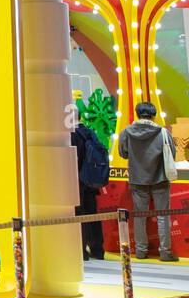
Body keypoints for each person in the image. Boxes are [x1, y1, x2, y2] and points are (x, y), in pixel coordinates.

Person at [117, 101, 178, 262]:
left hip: (138, 179)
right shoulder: (163, 132)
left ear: (137, 114)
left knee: (139, 216)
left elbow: (123, 153)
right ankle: (165, 252)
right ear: (154, 114)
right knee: (163, 216)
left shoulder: (126, 133)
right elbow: (172, 153)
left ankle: (141, 251)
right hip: (161, 179)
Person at [71, 121, 109, 261]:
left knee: (79, 216)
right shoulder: (90, 132)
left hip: (77, 182)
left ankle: (82, 251)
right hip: (91, 181)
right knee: (92, 215)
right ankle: (97, 250)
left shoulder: (71, 135)